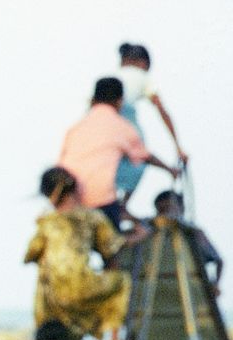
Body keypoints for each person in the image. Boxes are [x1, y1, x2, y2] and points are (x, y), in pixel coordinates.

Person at [24, 167, 148, 340]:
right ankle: (116, 335)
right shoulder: (92, 217)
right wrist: (140, 234)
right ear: (76, 189)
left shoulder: (48, 221)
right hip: (82, 287)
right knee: (123, 281)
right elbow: (113, 246)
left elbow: (30, 255)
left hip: (51, 297)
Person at [58, 77, 179, 230]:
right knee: (127, 239)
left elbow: (61, 165)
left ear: (93, 100)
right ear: (119, 102)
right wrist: (170, 170)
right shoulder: (122, 126)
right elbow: (145, 156)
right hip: (99, 199)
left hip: (67, 200)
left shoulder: (75, 129)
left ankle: (123, 212)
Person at [115, 43, 189, 204]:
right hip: (122, 112)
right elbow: (162, 111)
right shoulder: (142, 76)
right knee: (138, 155)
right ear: (143, 63)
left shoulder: (114, 75)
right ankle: (122, 205)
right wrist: (178, 146)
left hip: (97, 117)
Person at [154, 190, 223, 296]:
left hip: (191, 291)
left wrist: (216, 284)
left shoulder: (194, 233)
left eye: (168, 208)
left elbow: (218, 261)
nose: (165, 214)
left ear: (181, 208)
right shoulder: (150, 231)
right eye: (161, 210)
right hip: (158, 290)